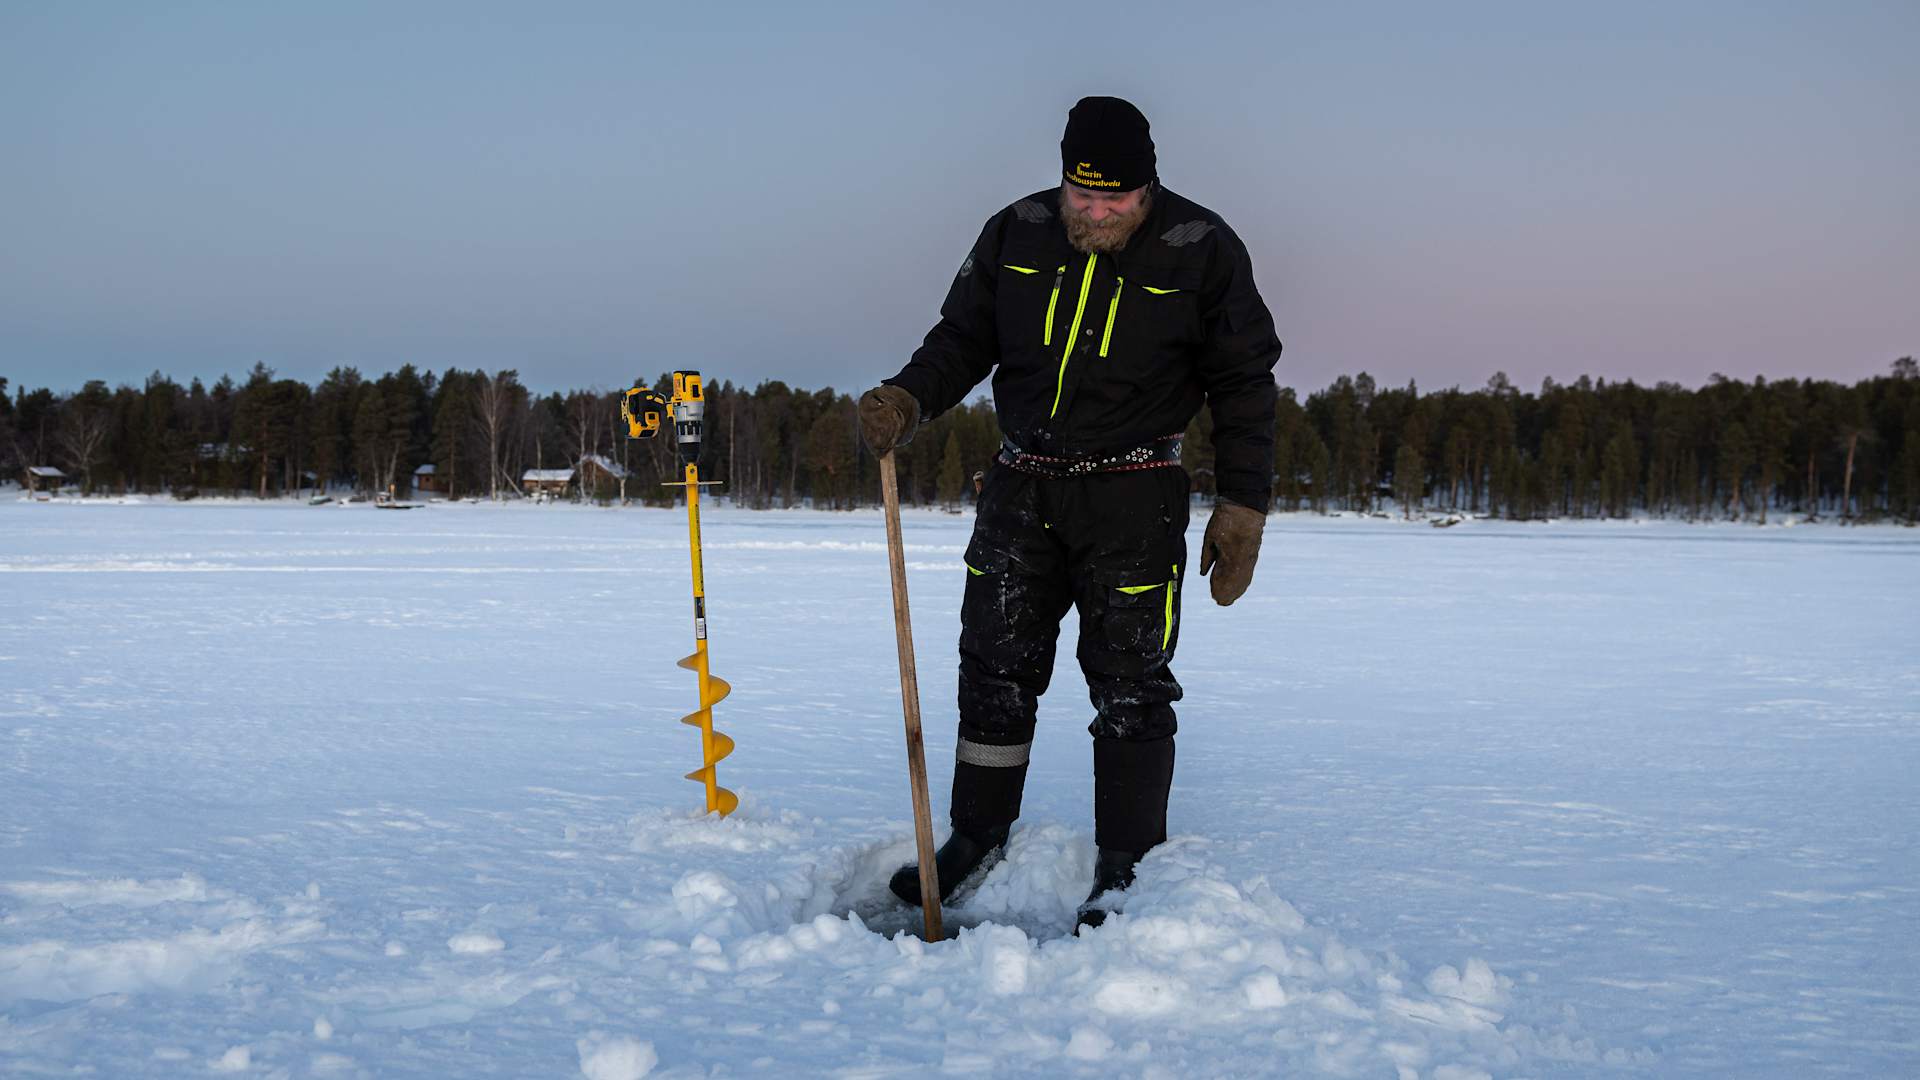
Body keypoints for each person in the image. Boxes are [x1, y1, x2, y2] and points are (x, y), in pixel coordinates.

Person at [859, 96, 1281, 931]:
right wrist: (909, 398)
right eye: (1082, 198)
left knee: (1130, 681)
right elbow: (961, 338)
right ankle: (977, 831)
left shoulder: (1203, 248)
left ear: (1147, 187)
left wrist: (1244, 506)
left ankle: (1125, 864)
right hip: (1023, 486)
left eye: (1115, 202)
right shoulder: (1016, 230)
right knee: (993, 665)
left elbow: (1244, 382)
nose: (1095, 214)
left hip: (1133, 495)